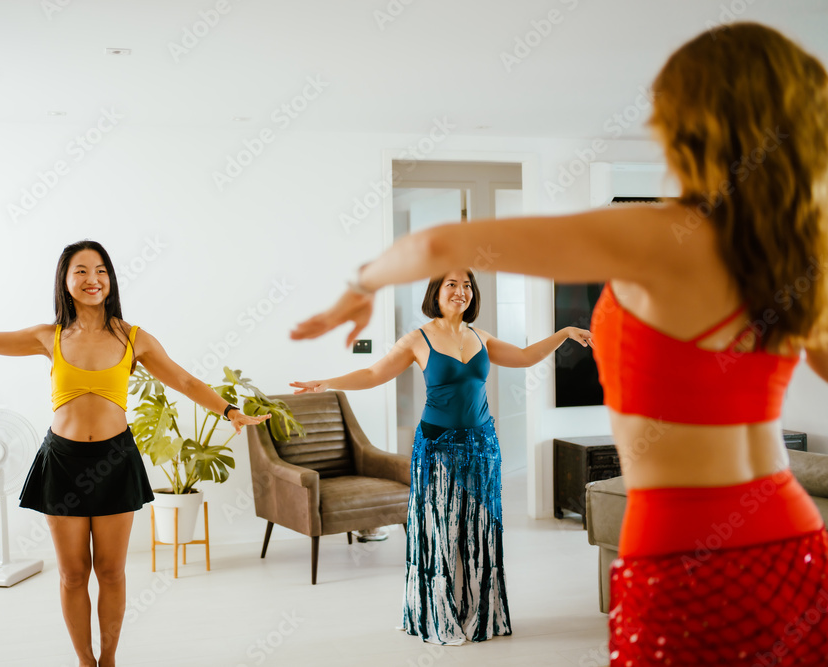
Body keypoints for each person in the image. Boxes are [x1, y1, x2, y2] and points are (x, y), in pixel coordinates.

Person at [291, 22, 828, 666]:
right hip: (790, 531)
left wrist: (362, 282)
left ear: (692, 124)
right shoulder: (801, 254)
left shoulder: (659, 232)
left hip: (684, 544)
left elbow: (439, 245)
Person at [0, 240, 269, 667]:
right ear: (65, 281)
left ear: (110, 279)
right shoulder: (50, 336)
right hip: (61, 463)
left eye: (99, 270)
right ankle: (85, 661)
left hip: (115, 462)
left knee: (112, 572)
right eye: (80, 271)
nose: (91, 279)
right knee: (72, 574)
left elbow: (186, 382)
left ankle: (109, 659)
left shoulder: (133, 338)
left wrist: (229, 410)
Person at [291, 269, 592, 645]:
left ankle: (476, 610)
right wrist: (328, 381)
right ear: (436, 292)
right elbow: (373, 373)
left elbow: (527, 357)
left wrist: (564, 333)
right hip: (436, 448)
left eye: (467, 285)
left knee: (478, 531)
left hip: (482, 447)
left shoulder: (480, 337)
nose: (461, 292)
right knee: (441, 531)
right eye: (452, 284)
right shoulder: (418, 339)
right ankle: (437, 611)